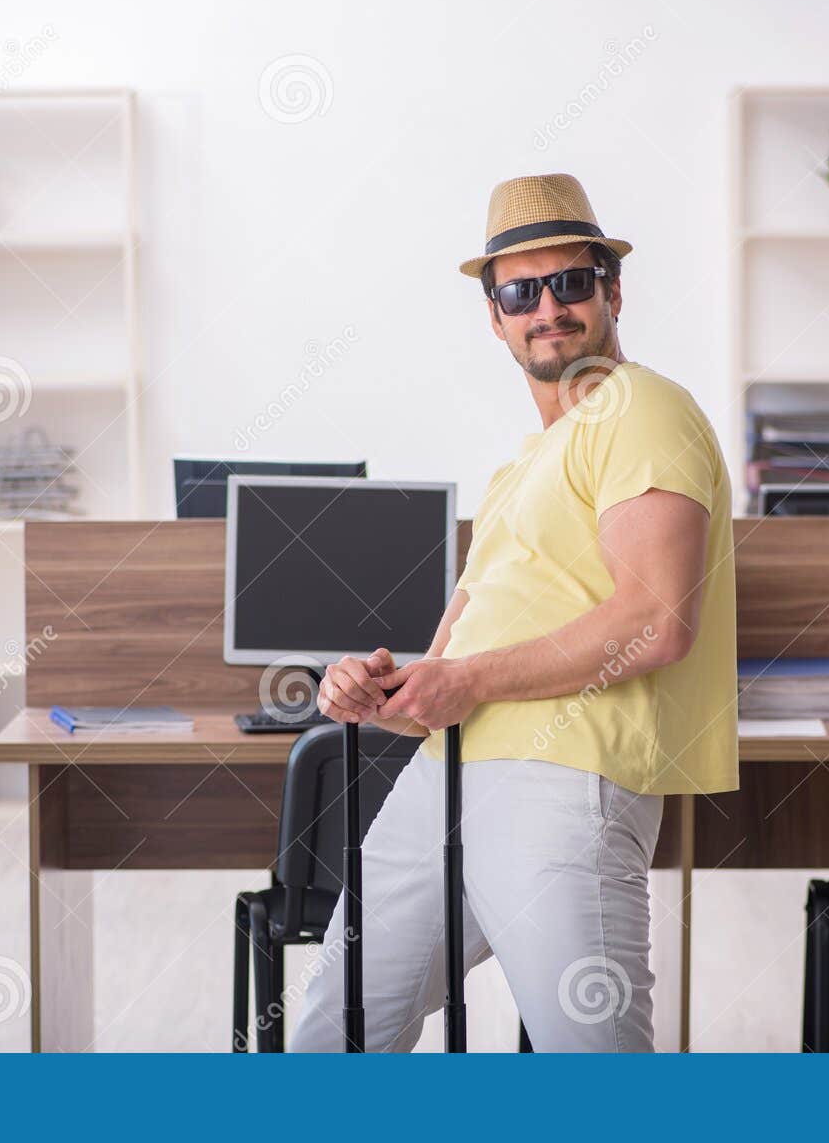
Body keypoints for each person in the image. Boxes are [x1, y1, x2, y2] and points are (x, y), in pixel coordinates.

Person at [290, 173, 737, 1052]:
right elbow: (441, 674)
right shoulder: (520, 470)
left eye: (570, 282)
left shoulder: (641, 409)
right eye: (520, 293)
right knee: (332, 1037)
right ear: (494, 318)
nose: (548, 309)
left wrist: (466, 680)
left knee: (591, 1066)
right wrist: (373, 690)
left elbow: (656, 621)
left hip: (563, 779)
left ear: (612, 291)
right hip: (444, 777)